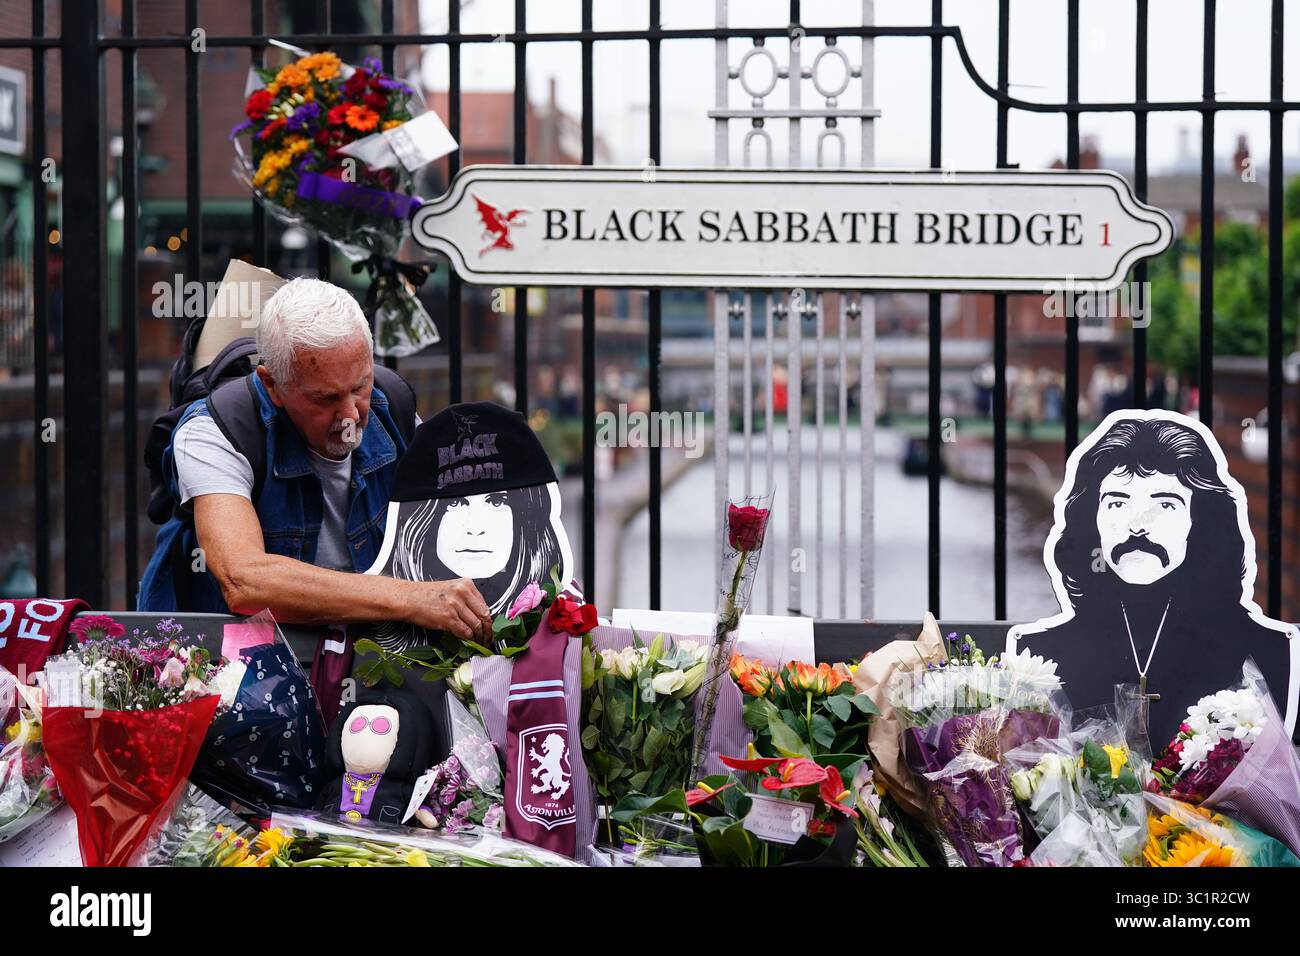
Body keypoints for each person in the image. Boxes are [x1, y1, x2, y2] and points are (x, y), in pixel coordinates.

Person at [138, 278, 492, 642]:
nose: (350, 415)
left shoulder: (393, 409)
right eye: (325, 399)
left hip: (362, 656)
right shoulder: (213, 432)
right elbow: (244, 579)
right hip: (233, 664)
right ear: (272, 385)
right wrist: (407, 597)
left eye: (359, 387)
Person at [1011, 411, 1296, 740]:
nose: (1137, 525)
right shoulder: (1040, 656)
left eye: (1164, 505)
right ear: (1091, 518)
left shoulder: (1265, 651)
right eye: (1118, 503)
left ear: (1201, 520)